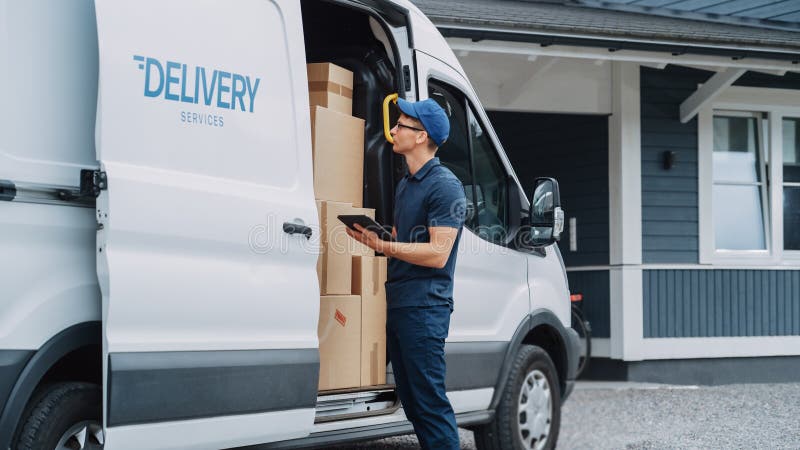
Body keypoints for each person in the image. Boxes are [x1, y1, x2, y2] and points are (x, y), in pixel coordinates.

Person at [345, 98, 466, 450]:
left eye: (401, 125)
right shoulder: (406, 184)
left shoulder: (445, 186)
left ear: (421, 136)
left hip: (425, 310)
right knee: (413, 405)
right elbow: (408, 240)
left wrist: (385, 247)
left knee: (430, 403)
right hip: (399, 303)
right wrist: (376, 237)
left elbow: (437, 254)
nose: (393, 131)